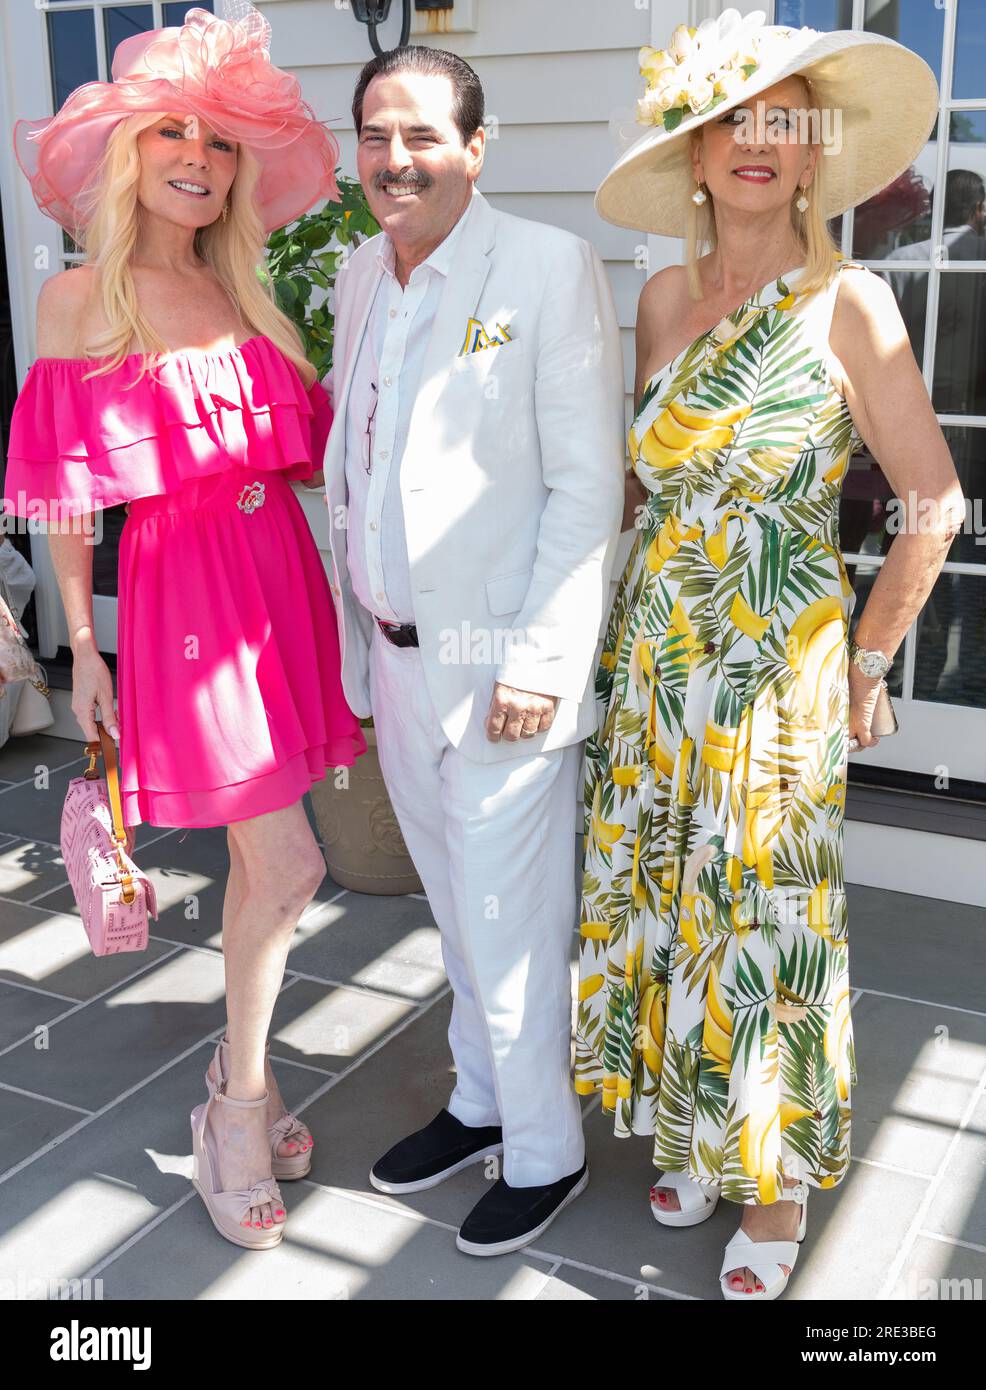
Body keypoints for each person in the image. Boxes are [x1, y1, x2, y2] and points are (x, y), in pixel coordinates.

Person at [578, 10, 964, 1298]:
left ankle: (777, 1177)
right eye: (732, 118)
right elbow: (640, 496)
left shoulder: (848, 302)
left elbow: (935, 500)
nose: (758, 141)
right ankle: (698, 1125)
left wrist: (866, 659)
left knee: (764, 915)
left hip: (776, 661)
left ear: (812, 158)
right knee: (673, 897)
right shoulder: (659, 299)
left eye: (783, 121)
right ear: (693, 153)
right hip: (657, 660)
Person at [1, 4, 366, 1251]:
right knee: (294, 865)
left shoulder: (243, 291)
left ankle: (236, 1078)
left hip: (282, 581)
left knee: (277, 865)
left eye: (217, 141)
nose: (197, 161)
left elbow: (308, 460)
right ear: (122, 152)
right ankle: (238, 1104)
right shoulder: (78, 303)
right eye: (169, 133)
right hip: (188, 597)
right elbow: (60, 491)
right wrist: (82, 645)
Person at [321, 44, 625, 1256]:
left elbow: (583, 485)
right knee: (455, 905)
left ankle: (544, 1151)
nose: (395, 162)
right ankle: (480, 1101)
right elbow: (356, 463)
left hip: (502, 662)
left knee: (507, 912)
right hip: (395, 659)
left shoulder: (548, 269)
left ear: (475, 148)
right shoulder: (355, 274)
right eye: (375, 138)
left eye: (421, 138)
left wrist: (541, 664)